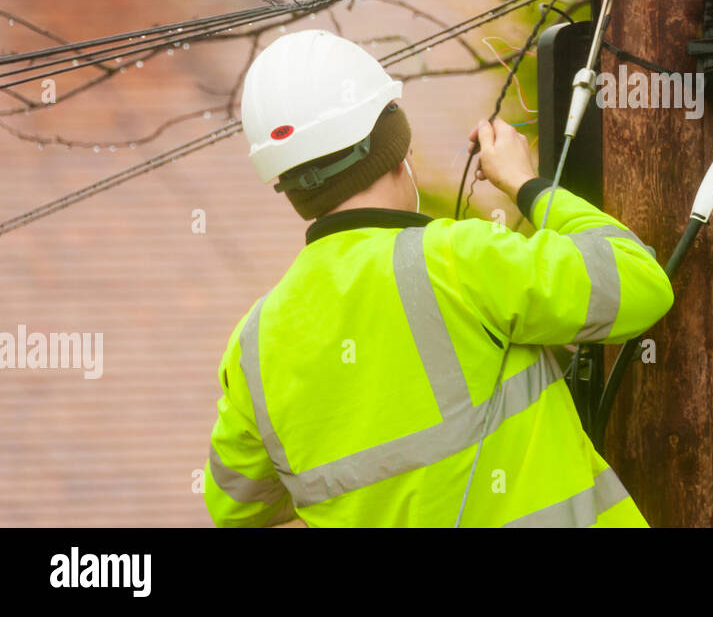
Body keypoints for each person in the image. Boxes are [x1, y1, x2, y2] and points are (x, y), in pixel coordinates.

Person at [202, 28, 674, 527]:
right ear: (393, 148)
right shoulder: (456, 260)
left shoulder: (255, 345)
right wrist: (527, 184)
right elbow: (639, 281)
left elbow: (237, 507)